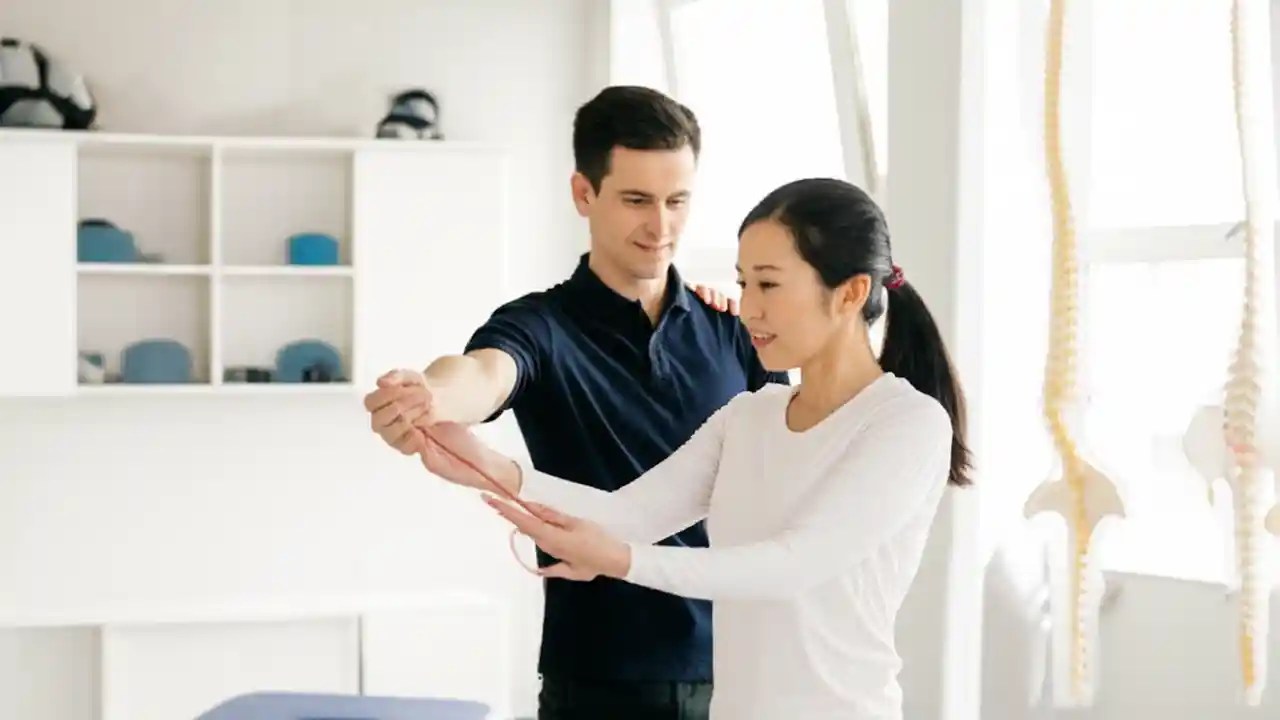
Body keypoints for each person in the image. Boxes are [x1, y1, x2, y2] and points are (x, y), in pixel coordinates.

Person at [412, 177, 974, 719]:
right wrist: (485, 466)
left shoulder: (906, 424)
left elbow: (793, 566)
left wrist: (620, 561)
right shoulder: (749, 415)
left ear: (850, 292)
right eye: (744, 282)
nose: (748, 308)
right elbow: (628, 514)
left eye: (769, 284)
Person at [362, 85, 788, 720]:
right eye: (637, 200)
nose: (661, 227)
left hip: (739, 673)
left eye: (678, 201)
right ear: (584, 194)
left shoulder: (731, 326)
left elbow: (782, 473)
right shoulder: (541, 326)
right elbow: (481, 373)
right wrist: (430, 398)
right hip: (597, 681)